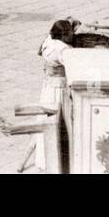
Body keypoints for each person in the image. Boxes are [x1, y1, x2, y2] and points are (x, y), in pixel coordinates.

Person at [35, 20, 77, 171]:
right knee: (64, 122)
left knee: (46, 121)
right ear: (64, 35)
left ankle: (44, 159)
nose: (73, 35)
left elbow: (39, 50)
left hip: (47, 88)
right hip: (59, 91)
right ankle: (64, 160)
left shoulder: (49, 41)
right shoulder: (63, 50)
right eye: (70, 33)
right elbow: (74, 66)